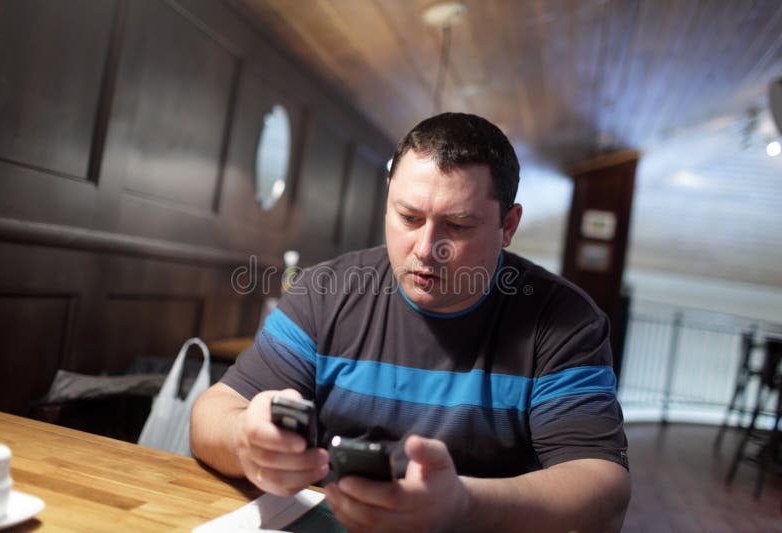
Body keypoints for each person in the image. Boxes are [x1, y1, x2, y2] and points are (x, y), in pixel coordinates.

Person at [190, 112, 630, 532]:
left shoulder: (564, 321)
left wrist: (463, 505)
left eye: (457, 225)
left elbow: (602, 484)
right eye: (409, 217)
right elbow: (212, 412)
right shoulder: (325, 292)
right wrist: (247, 441)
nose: (425, 248)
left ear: (508, 225)